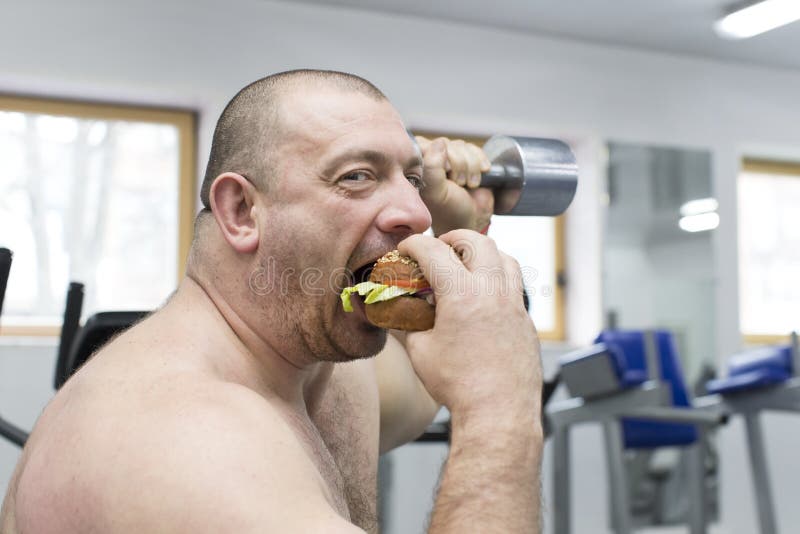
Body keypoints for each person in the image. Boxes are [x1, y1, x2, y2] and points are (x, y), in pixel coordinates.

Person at [0, 70, 543, 533]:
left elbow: (421, 383)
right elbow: (475, 400)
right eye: (357, 177)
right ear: (240, 211)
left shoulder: (314, 371)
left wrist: (456, 229)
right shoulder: (185, 440)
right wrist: (500, 410)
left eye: (413, 180)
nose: (416, 213)